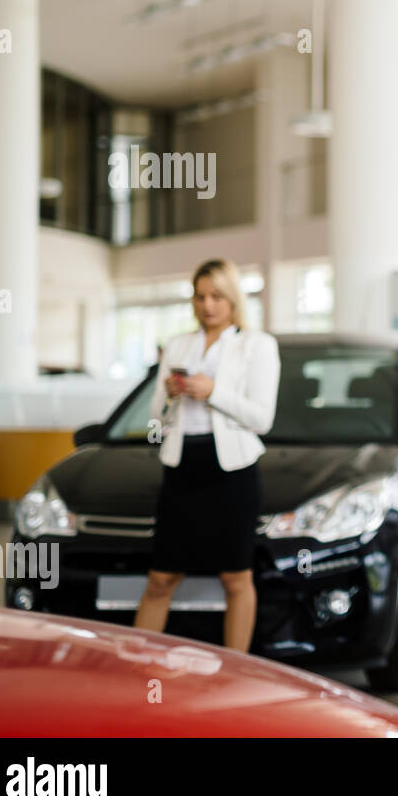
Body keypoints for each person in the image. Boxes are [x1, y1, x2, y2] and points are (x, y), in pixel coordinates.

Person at [134, 258, 280, 651]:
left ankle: (235, 672)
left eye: (216, 296)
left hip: (232, 471)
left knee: (235, 578)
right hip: (183, 467)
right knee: (161, 577)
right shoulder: (179, 345)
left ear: (233, 299)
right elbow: (154, 420)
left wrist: (213, 392)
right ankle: (137, 669)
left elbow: (262, 418)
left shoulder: (258, 345)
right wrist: (169, 394)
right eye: (200, 297)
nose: (207, 305)